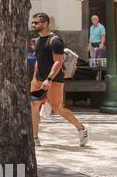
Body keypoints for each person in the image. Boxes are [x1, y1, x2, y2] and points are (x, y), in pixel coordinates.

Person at [30, 12, 88, 147]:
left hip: (53, 80)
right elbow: (38, 61)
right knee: (34, 106)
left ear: (45, 24)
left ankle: (81, 129)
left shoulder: (55, 41)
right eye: (33, 23)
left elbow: (58, 62)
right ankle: (34, 138)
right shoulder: (37, 41)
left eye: (36, 23)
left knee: (57, 108)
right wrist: (35, 79)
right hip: (38, 80)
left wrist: (49, 79)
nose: (34, 25)